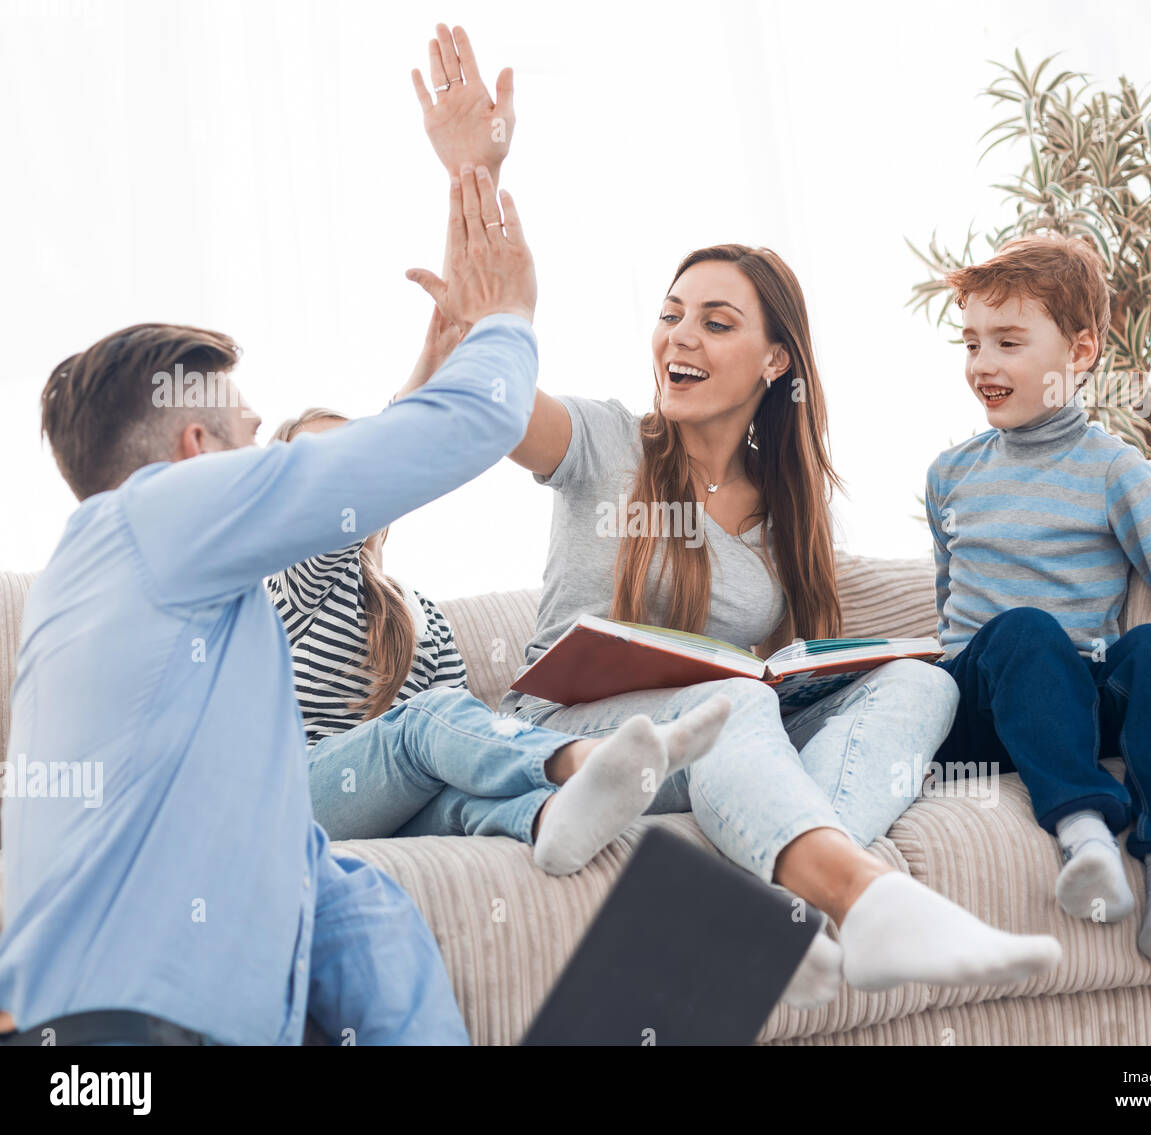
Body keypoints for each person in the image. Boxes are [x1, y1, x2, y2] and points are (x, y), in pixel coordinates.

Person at [403, 25, 1064, 1002]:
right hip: (581, 747)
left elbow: (790, 679)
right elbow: (469, 401)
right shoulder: (603, 443)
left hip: (714, 747)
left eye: (716, 322)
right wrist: (473, 182)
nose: (679, 334)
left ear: (773, 362)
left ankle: (779, 906)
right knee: (736, 704)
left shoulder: (789, 518)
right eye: (673, 312)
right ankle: (862, 899)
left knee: (921, 690)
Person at [0, 166, 538, 1045]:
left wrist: (441, 355)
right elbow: (459, 433)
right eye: (253, 437)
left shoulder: (146, 590)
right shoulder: (155, 517)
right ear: (197, 448)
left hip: (137, 1032)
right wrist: (508, 314)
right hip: (113, 1051)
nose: (265, 449)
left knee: (345, 888)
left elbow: (355, 482)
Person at [925, 231, 1151, 961]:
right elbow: (950, 612)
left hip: (1069, 700)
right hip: (979, 703)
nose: (983, 364)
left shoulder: (1114, 470)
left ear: (1082, 352)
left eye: (1007, 341)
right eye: (971, 343)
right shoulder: (950, 474)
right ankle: (1087, 838)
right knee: (1022, 630)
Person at [267, 404, 729, 876]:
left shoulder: (424, 615)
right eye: (320, 460)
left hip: (382, 805)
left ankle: (551, 821)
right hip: (297, 797)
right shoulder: (288, 579)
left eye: (351, 453)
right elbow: (353, 499)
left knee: (461, 793)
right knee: (426, 719)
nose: (344, 468)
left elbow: (460, 739)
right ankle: (587, 761)